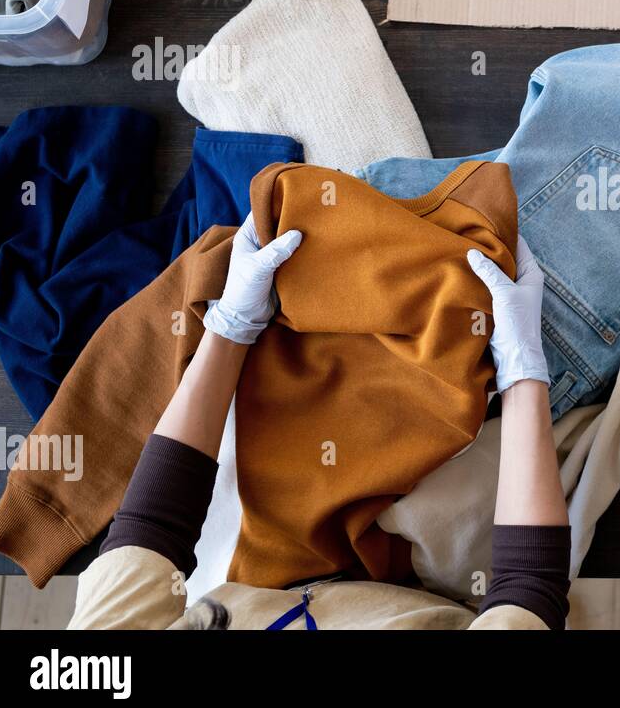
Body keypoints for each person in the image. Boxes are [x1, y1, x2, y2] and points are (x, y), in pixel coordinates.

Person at [68, 216, 569, 630]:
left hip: (265, 570)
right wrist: (524, 366)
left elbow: (150, 534)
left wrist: (230, 328)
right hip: (447, 579)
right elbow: (529, 590)